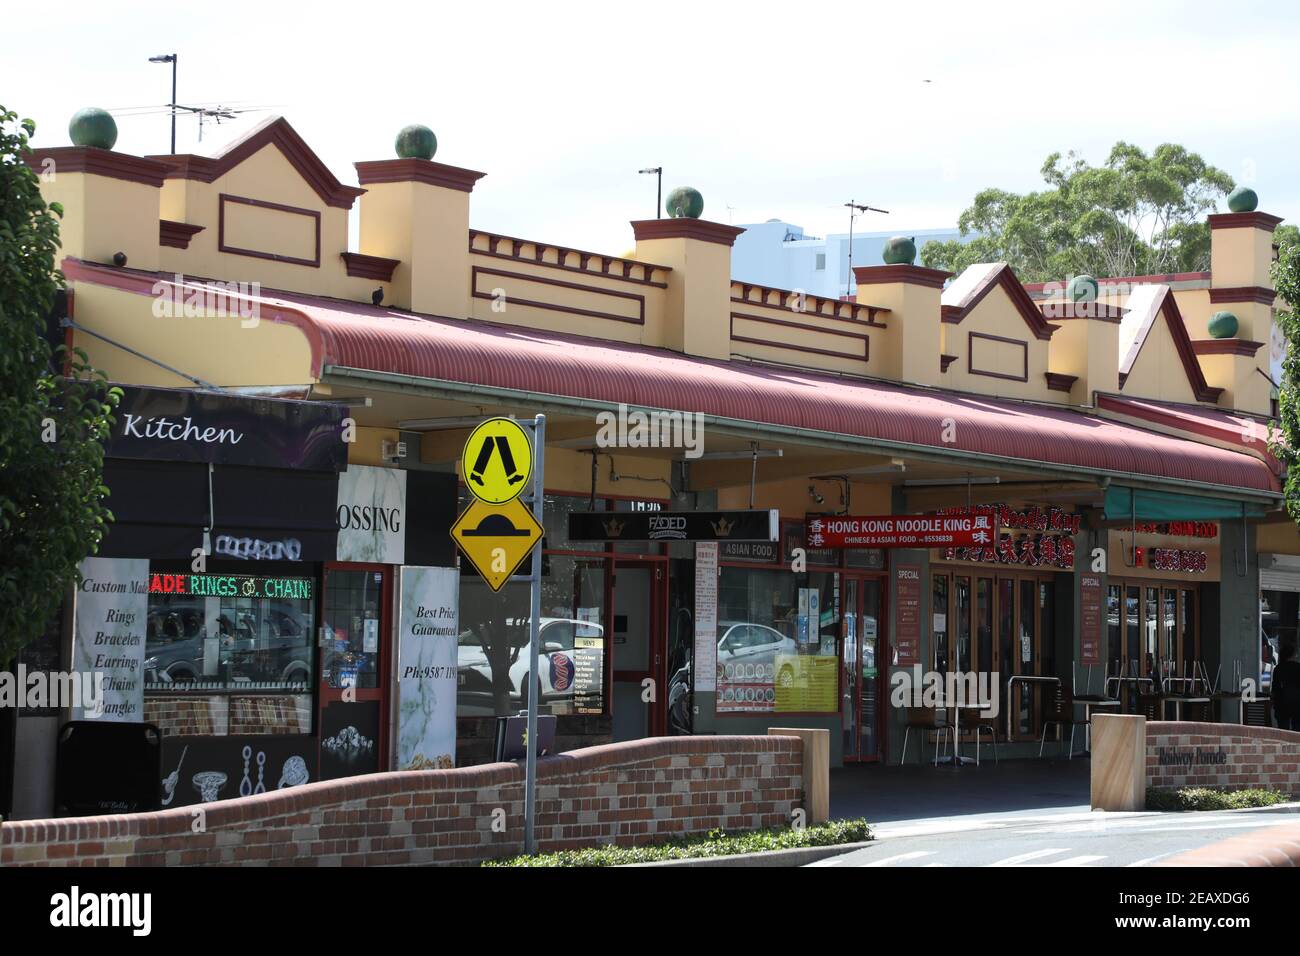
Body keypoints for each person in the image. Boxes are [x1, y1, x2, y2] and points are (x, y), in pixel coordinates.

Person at [1272, 642, 1300, 732]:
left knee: (1283, 730)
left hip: (1282, 703)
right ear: (1293, 655)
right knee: (1297, 729)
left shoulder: (1278, 668)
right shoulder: (1298, 667)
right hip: (1297, 703)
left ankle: (1284, 745)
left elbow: (1275, 687)